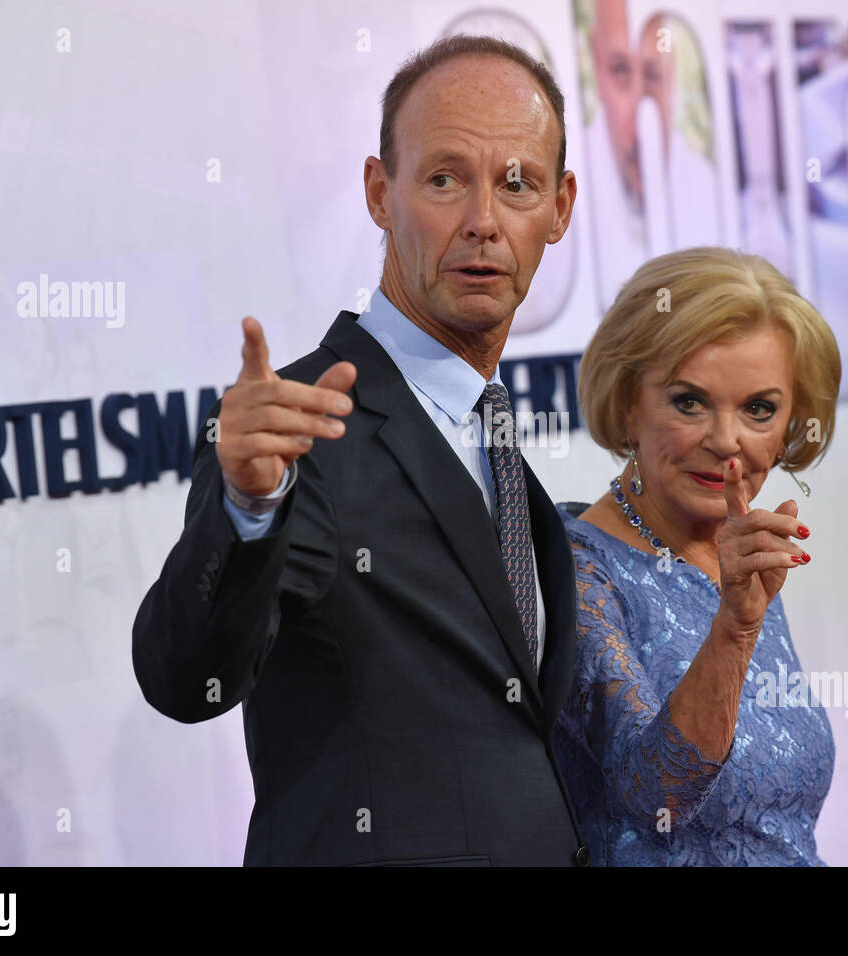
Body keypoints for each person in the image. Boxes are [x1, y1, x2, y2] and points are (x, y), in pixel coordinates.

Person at [132, 35, 589, 866]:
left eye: (516, 184)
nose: (484, 221)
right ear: (380, 193)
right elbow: (183, 678)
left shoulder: (490, 430)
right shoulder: (306, 432)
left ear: (559, 208)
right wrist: (247, 509)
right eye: (445, 179)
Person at [553, 247, 841, 865]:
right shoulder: (578, 571)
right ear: (629, 402)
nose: (726, 441)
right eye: (690, 402)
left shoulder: (734, 551)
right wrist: (735, 629)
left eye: (759, 409)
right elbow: (656, 794)